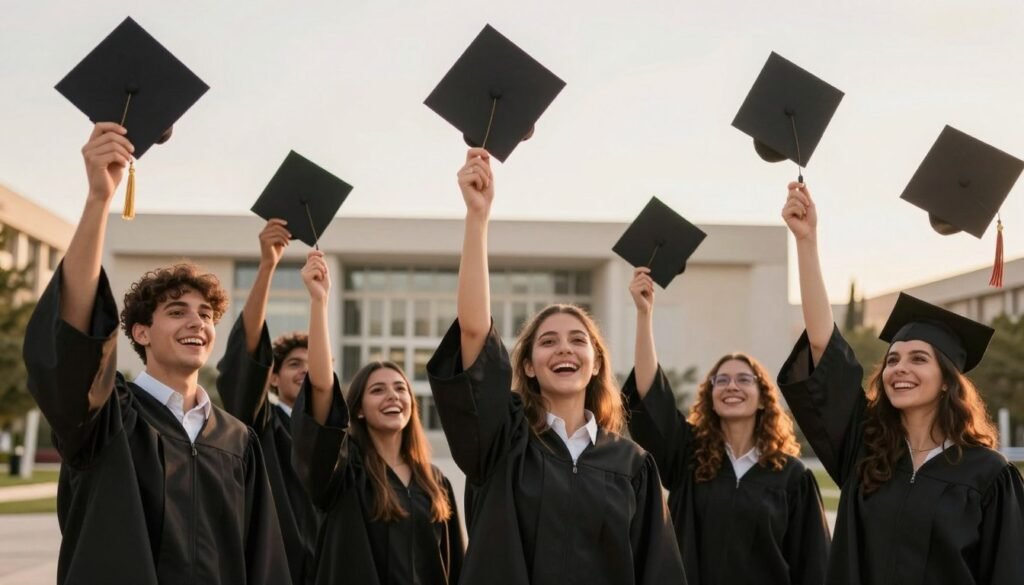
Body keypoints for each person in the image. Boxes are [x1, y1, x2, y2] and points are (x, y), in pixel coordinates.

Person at [22, 123, 290, 584]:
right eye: (177, 311)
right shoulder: (108, 420)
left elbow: (262, 561)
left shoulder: (237, 440)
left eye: (206, 314)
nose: (197, 323)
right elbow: (75, 340)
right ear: (141, 333)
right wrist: (99, 200)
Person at [425, 148, 686, 585]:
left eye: (577, 340)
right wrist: (478, 219)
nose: (563, 350)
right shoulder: (503, 442)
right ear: (526, 366)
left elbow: (657, 571)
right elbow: (474, 332)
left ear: (596, 362)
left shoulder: (631, 464)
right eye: (547, 341)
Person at [779, 181, 1024, 584]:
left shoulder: (988, 475)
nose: (899, 369)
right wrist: (807, 241)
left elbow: (1007, 571)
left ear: (947, 381)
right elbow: (824, 345)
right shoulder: (866, 450)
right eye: (892, 359)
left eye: (918, 359)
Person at [622, 266, 829, 585]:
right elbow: (651, 395)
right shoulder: (687, 457)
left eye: (744, 379)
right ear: (710, 396)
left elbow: (814, 566)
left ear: (763, 398)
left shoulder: (792, 478)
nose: (732, 386)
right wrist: (644, 314)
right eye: (722, 380)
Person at [291, 250, 464, 584]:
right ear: (357, 408)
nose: (392, 397)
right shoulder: (344, 474)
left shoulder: (434, 482)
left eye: (400, 389)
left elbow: (456, 565)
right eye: (377, 390)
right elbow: (322, 389)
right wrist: (319, 303)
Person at [216, 218, 317, 585]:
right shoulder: (261, 426)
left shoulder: (341, 435)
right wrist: (267, 266)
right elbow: (248, 355)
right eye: (294, 364)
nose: (305, 372)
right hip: (277, 568)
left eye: (314, 365)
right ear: (272, 377)